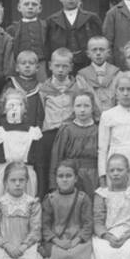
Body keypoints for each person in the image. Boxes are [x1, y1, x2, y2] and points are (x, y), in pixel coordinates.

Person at [41, 160, 95, 259]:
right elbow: (44, 225)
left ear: (76, 178)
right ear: (56, 179)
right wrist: (57, 241)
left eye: (69, 176)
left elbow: (87, 224)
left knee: (75, 257)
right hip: (56, 239)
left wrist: (75, 241)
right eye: (61, 176)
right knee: (55, 257)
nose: (65, 179)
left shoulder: (83, 199)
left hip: (78, 239)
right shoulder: (50, 199)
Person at [35, 48, 88, 196]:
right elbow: (39, 114)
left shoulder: (78, 87)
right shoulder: (43, 89)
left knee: (69, 169)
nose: (60, 70)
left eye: (64, 66)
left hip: (71, 135)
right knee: (49, 169)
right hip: (50, 134)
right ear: (50, 65)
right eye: (57, 66)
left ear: (71, 67)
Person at [0, 89, 43, 197]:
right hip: (2, 177)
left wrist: (40, 194)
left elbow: (39, 165)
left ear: (25, 109)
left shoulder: (33, 133)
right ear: (4, 109)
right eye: (11, 105)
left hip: (26, 178)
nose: (15, 108)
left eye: (19, 105)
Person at [44, 0, 102, 73]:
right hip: (61, 68)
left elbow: (100, 43)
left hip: (87, 66)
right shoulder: (52, 21)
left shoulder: (92, 19)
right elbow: (47, 49)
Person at [49, 91, 100, 196]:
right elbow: (56, 157)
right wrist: (54, 184)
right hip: (69, 176)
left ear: (92, 107)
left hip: (93, 177)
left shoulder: (98, 130)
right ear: (73, 108)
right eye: (78, 106)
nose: (82, 110)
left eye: (86, 106)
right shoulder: (66, 130)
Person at [8, 0, 49, 81]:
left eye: (34, 4)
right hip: (21, 65)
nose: (30, 7)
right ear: (19, 7)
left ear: (40, 8)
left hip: (41, 64)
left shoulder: (46, 26)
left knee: (42, 88)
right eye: (26, 4)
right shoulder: (13, 29)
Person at [76, 36, 118, 113]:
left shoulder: (117, 74)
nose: (98, 53)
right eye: (94, 50)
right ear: (88, 54)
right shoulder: (82, 76)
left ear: (108, 53)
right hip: (91, 118)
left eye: (101, 49)